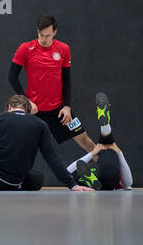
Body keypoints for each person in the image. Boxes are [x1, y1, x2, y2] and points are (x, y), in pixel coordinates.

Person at [0, 95, 94, 191]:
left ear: (9, 107)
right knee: (38, 178)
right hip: (13, 184)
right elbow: (52, 158)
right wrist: (72, 185)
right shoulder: (40, 124)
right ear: (28, 110)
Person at [10, 15, 95, 154]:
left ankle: (110, 174)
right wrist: (27, 102)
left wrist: (67, 106)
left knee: (87, 142)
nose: (44, 39)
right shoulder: (25, 48)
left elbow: (67, 79)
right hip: (33, 111)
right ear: (37, 31)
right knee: (19, 149)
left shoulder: (64, 49)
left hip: (60, 112)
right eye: (41, 35)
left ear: (54, 32)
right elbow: (12, 77)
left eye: (47, 36)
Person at [68, 92, 133, 190]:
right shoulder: (110, 157)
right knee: (75, 174)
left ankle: (105, 124)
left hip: (102, 177)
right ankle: (105, 124)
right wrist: (119, 153)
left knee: (77, 174)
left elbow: (67, 172)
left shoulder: (109, 155)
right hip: (110, 178)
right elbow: (128, 183)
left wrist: (94, 152)